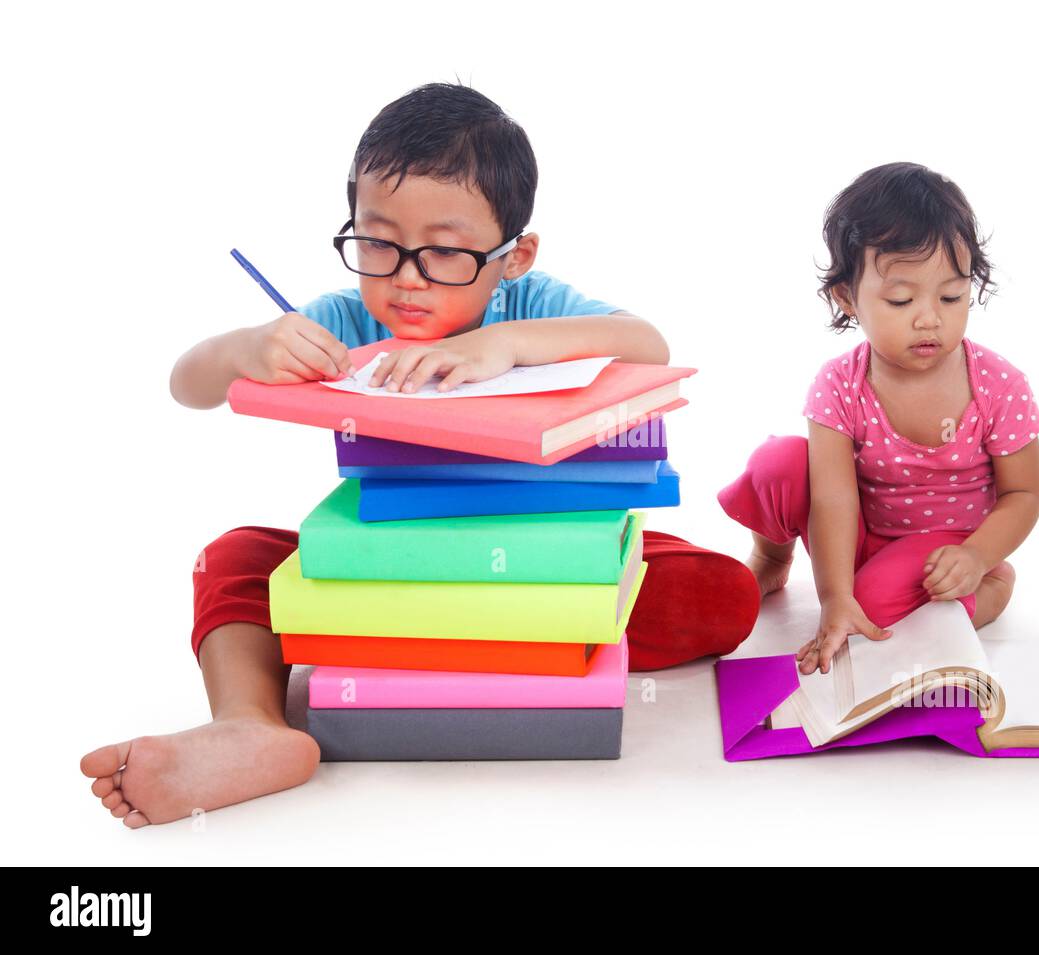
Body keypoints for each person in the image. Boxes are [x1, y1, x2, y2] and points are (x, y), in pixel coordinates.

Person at [80, 82, 669, 827]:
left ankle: (481, 655)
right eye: (379, 243)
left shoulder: (528, 306)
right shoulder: (340, 319)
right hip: (376, 561)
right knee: (233, 559)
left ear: (513, 256)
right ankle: (252, 722)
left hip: (531, 561)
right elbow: (186, 386)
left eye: (447, 253)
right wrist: (246, 348)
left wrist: (505, 344)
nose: (406, 277)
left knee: (687, 578)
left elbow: (649, 345)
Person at [717, 162, 1039, 676]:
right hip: (858, 533)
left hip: (945, 551)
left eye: (952, 296)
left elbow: (1023, 494)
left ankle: (989, 589)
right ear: (847, 298)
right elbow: (832, 498)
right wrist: (832, 596)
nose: (929, 317)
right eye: (900, 299)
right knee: (776, 462)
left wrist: (979, 555)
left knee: (873, 607)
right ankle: (773, 561)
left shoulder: (997, 385)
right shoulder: (839, 384)